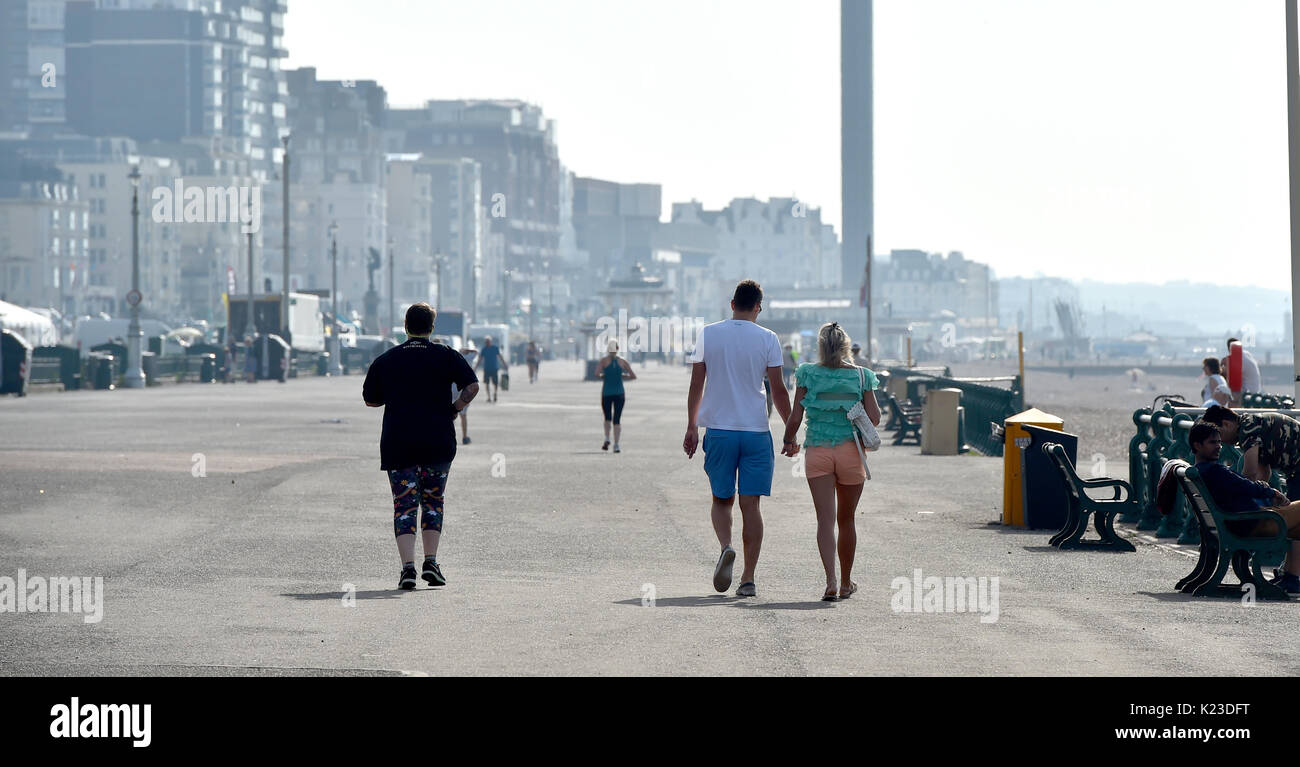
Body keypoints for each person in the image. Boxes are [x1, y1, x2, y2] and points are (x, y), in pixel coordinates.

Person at [684, 279, 791, 598]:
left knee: (721, 499)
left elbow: (696, 386)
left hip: (719, 429)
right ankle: (747, 578)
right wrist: (790, 430)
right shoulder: (769, 338)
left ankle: (726, 546)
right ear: (758, 307)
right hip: (756, 432)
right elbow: (779, 390)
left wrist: (691, 426)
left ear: (732, 304)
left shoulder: (709, 333)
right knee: (751, 504)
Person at [363, 303, 479, 590]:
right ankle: (431, 562)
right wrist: (455, 408)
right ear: (431, 327)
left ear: (405, 326)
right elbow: (472, 386)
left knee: (404, 505)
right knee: (433, 502)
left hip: (399, 442)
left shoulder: (387, 359)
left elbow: (370, 400)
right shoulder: (445, 355)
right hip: (437, 441)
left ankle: (407, 569)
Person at [782, 322, 882, 601]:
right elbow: (874, 418)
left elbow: (795, 416)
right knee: (847, 520)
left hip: (818, 453)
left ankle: (831, 581)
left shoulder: (807, 373)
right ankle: (848, 582)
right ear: (846, 346)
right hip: (851, 453)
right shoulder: (863, 376)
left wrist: (788, 440)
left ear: (820, 347)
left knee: (824, 520)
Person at [1188, 420, 1300, 594]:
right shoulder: (1215, 472)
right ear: (1197, 445)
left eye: (1219, 441)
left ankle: (1291, 578)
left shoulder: (1203, 471)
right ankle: (1291, 577)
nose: (1218, 446)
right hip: (1254, 523)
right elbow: (1247, 486)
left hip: (1241, 522)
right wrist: (1273, 493)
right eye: (1212, 442)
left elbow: (1242, 485)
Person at [1201, 404, 1300, 502]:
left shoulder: (1247, 429)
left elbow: (1250, 472)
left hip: (1297, 471)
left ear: (1226, 424)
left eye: (1219, 435)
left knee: (1295, 512)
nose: (1220, 441)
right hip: (1295, 471)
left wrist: (1239, 497)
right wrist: (1257, 496)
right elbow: (1265, 472)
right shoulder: (1250, 424)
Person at [599, 339, 636, 452]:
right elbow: (633, 375)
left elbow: (597, 373)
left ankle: (606, 438)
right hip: (619, 393)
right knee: (617, 419)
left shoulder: (604, 361)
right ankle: (616, 444)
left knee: (607, 417)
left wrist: (605, 376)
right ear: (618, 349)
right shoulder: (622, 361)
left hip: (606, 393)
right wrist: (622, 376)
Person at [454, 342, 478, 445]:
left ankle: (452, 437)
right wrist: (468, 350)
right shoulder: (469, 358)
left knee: (450, 415)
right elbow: (476, 352)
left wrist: (461, 350)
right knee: (463, 415)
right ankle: (464, 437)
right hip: (465, 389)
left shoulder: (454, 358)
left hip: (453, 388)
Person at [475, 336, 507, 402]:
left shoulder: (495, 348)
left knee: (495, 383)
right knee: (487, 383)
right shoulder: (484, 349)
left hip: (494, 368)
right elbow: (480, 359)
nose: (487, 343)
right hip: (486, 368)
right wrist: (476, 367)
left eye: (488, 341)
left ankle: (495, 393)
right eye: (486, 342)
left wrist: (504, 364)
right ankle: (489, 397)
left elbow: (500, 357)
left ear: (490, 342)